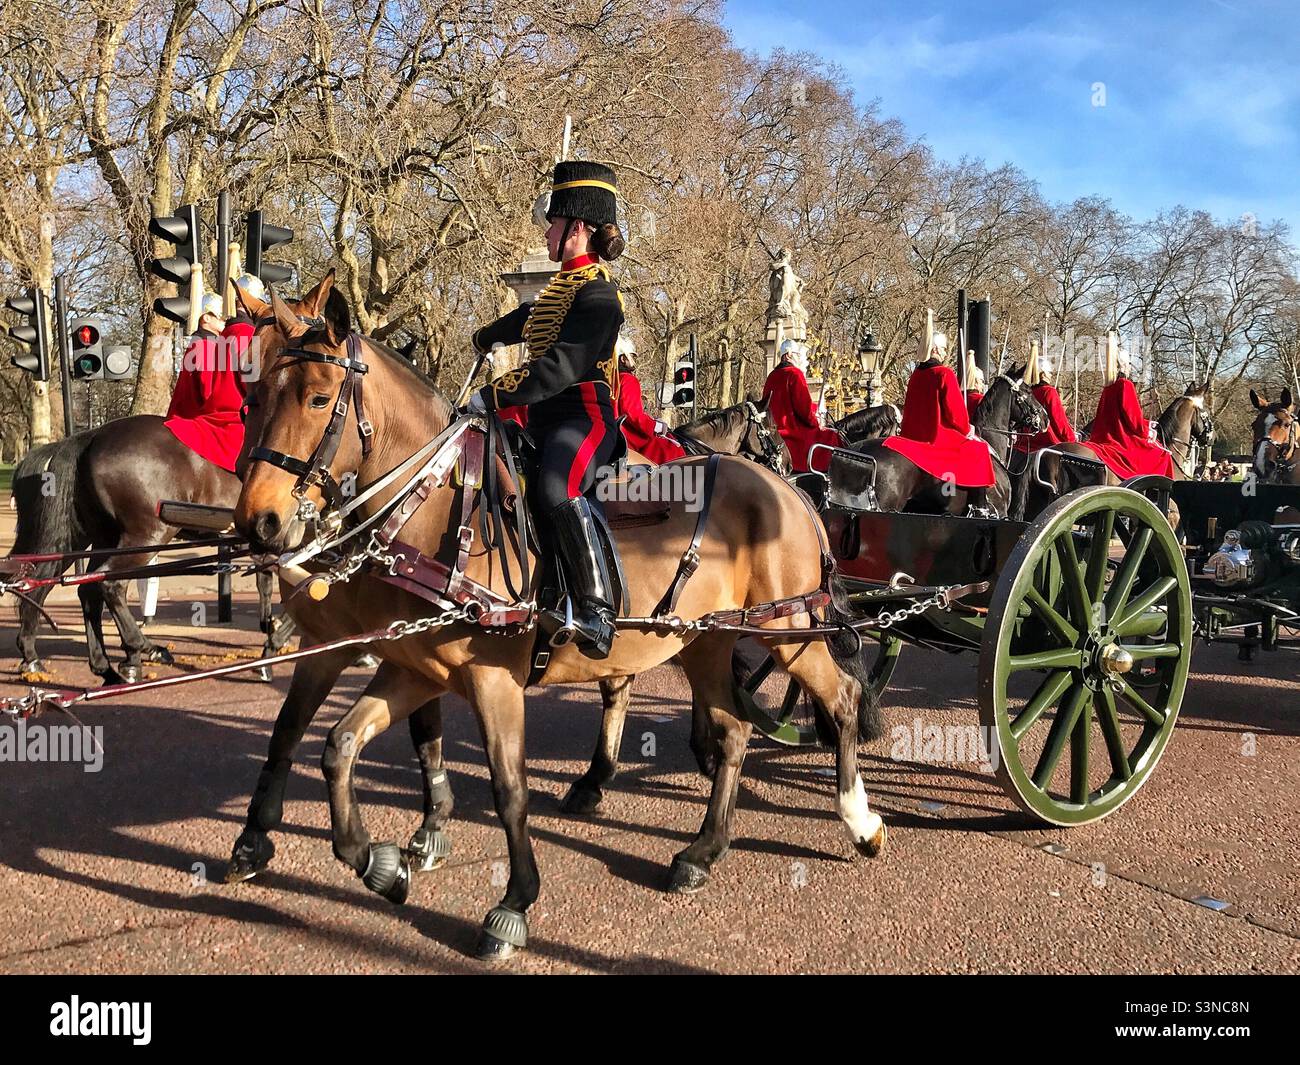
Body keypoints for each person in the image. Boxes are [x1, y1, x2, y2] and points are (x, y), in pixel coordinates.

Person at [467, 160, 626, 658]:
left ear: (575, 228)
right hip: (543, 420)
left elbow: (558, 366)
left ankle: (596, 610)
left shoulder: (600, 296)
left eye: (553, 223)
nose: (548, 231)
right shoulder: (563, 289)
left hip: (583, 418)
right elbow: (528, 320)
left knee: (557, 485)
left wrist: (493, 394)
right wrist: (484, 336)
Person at [881, 327, 995, 511]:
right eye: (942, 349)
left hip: (913, 435)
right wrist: (968, 429)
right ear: (934, 349)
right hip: (938, 437)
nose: (944, 353)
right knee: (979, 449)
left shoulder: (915, 375)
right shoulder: (944, 374)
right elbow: (955, 414)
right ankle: (979, 508)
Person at [163, 290, 250, 473]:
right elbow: (208, 391)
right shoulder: (204, 346)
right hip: (193, 415)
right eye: (218, 317)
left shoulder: (202, 343)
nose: (224, 321)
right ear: (206, 318)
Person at [1085, 342, 1174, 479]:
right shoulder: (1126, 385)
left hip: (1104, 437)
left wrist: (1146, 423)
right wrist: (1147, 430)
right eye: (1129, 365)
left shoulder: (1108, 389)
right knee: (1162, 454)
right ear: (1124, 365)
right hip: (1121, 440)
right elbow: (1133, 421)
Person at [762, 339, 842, 472]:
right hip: (793, 435)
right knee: (832, 437)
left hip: (773, 435)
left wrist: (813, 408)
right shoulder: (795, 374)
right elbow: (804, 411)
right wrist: (817, 422)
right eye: (798, 354)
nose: (800, 359)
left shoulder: (771, 376)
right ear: (788, 355)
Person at [615, 335, 685, 464]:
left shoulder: (612, 380)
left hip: (613, 433)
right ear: (623, 358)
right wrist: (656, 426)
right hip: (628, 438)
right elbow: (632, 414)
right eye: (633, 357)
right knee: (671, 448)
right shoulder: (628, 380)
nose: (634, 360)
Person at [1013, 341, 1077, 453]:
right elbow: (1059, 422)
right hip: (1048, 445)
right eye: (1050, 372)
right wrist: (1072, 439)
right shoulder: (1049, 391)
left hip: (1024, 445)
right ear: (1043, 374)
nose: (1051, 375)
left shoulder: (1025, 393)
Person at [963, 349, 986, 423]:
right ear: (975, 382)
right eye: (981, 381)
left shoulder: (959, 396)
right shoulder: (980, 399)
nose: (982, 385)